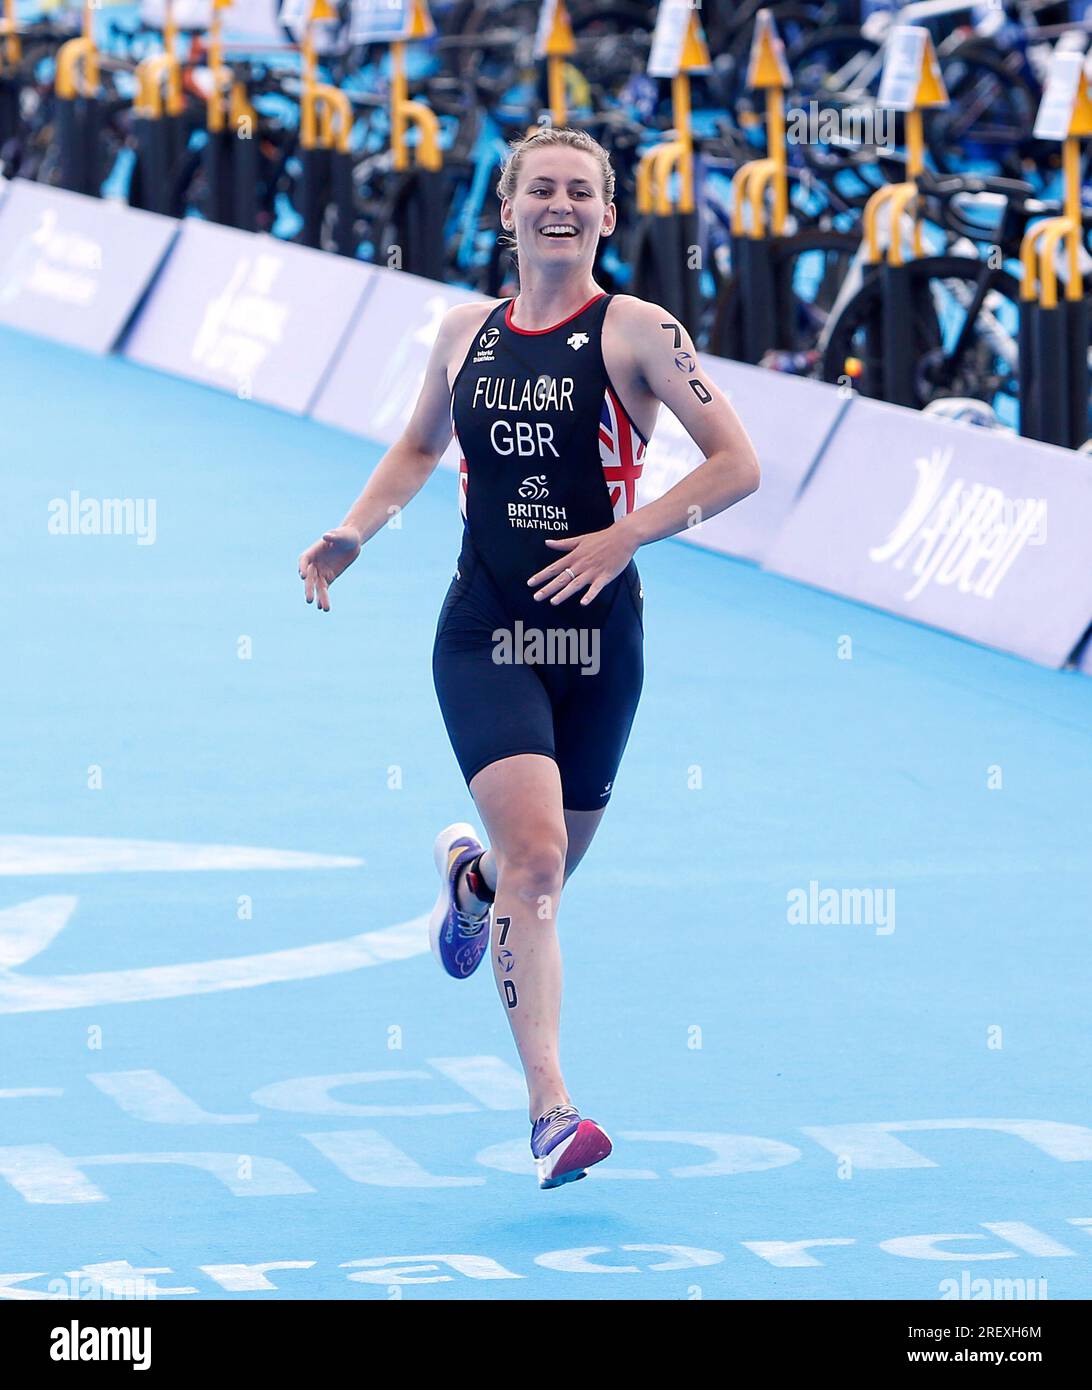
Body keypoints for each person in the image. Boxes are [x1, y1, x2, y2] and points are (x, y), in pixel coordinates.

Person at [298, 127, 760, 1190]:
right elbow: (419, 447)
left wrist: (629, 532)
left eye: (580, 193)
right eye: (539, 189)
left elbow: (739, 465)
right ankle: (552, 1109)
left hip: (602, 642)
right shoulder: (463, 333)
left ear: (607, 214)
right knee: (542, 866)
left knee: (530, 880)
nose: (559, 205)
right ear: (506, 211)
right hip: (487, 631)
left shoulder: (643, 330)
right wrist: (355, 532)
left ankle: (468, 887)